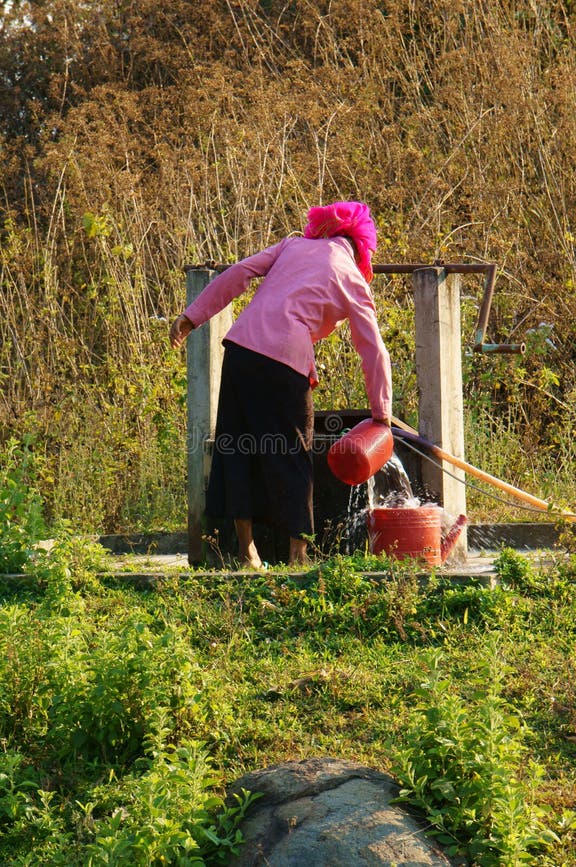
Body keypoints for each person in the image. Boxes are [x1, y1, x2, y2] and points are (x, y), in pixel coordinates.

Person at [169, 200, 392, 569]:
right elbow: (373, 349)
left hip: (240, 349)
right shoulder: (350, 276)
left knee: (236, 447)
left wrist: (192, 316)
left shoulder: (292, 245)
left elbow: (240, 272)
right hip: (284, 363)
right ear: (360, 248)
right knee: (292, 456)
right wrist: (381, 413)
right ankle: (297, 555)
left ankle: (247, 553)